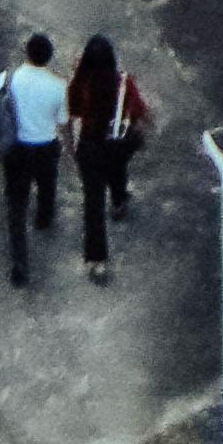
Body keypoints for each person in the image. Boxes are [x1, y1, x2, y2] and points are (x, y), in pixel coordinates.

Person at [68, 27, 154, 279]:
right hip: (117, 144)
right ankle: (118, 201)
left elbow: (74, 110)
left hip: (90, 146)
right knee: (118, 170)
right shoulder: (123, 83)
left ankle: (97, 260)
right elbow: (138, 111)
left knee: (93, 202)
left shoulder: (80, 84)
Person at [0, 32, 64, 285]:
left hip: (17, 150)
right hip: (46, 147)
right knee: (47, 185)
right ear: (49, 57)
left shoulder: (8, 79)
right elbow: (62, 120)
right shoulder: (58, 86)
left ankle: (20, 264)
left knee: (16, 205)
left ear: (26, 52)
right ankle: (44, 217)